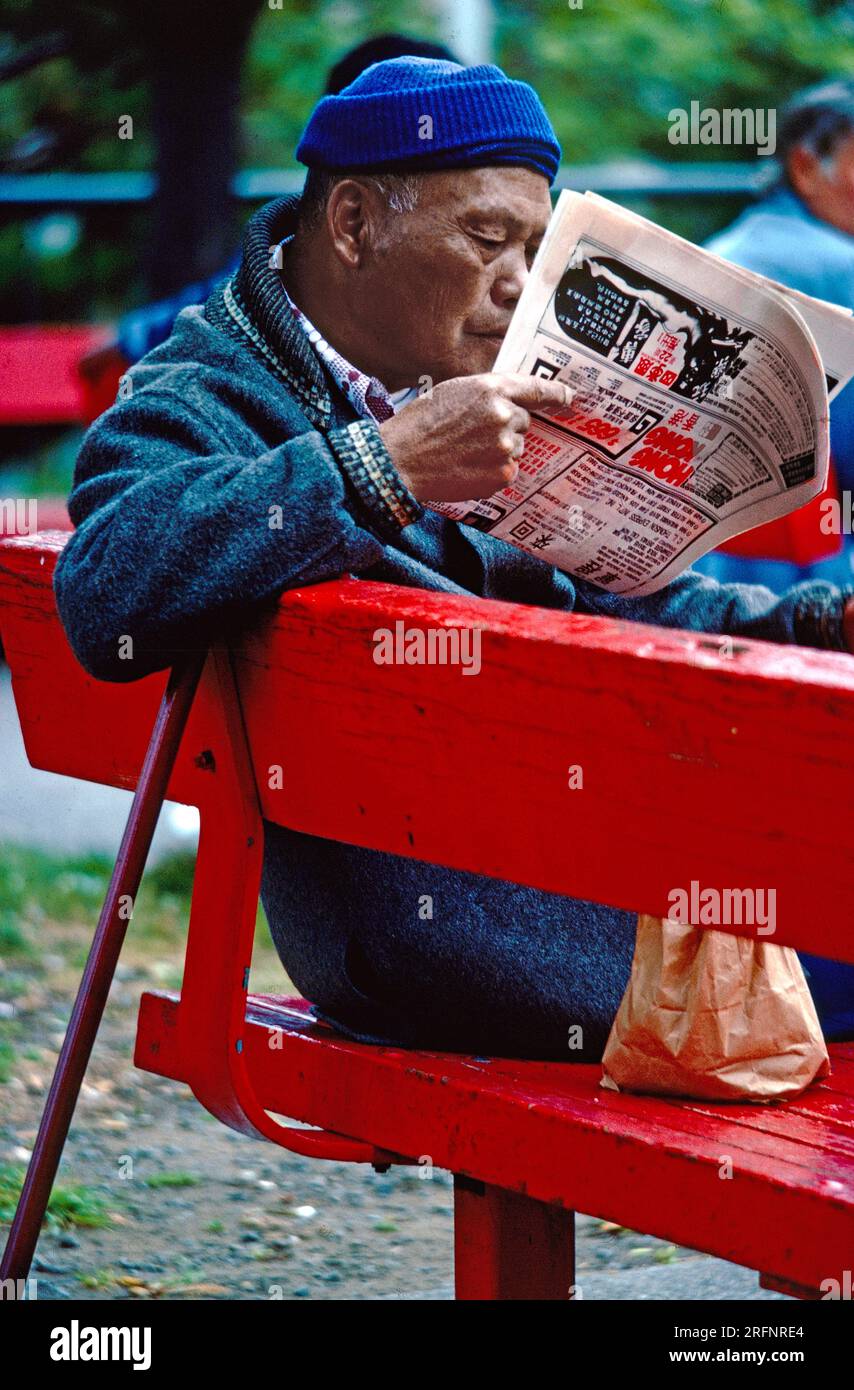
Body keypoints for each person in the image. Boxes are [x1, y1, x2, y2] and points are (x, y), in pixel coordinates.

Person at [54, 58, 854, 1059]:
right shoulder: (209, 387)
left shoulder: (459, 383)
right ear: (351, 225)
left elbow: (609, 606)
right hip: (464, 933)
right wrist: (381, 465)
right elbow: (103, 592)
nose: (520, 283)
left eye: (535, 243)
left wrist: (815, 625)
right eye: (486, 238)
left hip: (573, 870)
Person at [695, 78, 854, 593]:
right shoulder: (841, 268)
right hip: (806, 592)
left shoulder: (718, 247)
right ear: (806, 168)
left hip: (697, 581)